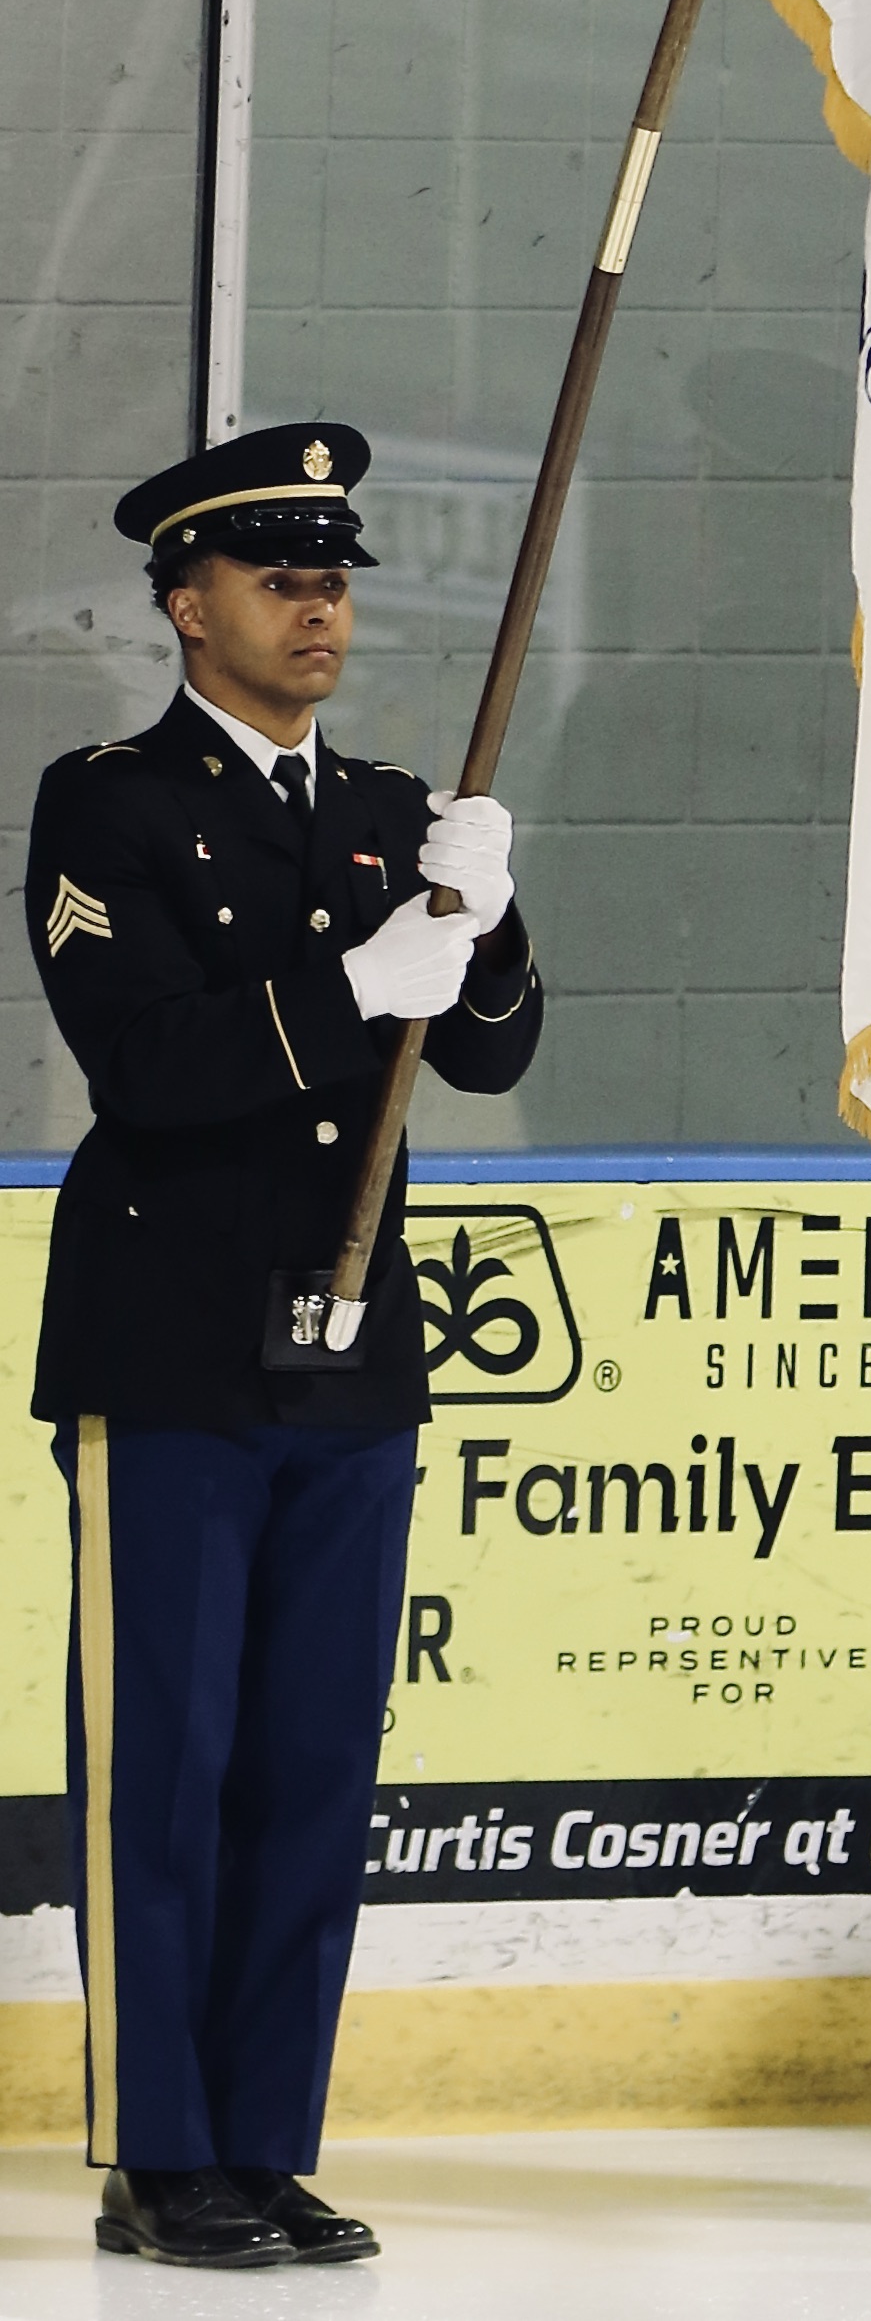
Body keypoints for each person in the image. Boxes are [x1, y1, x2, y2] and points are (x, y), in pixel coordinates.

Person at [22, 423, 542, 2271]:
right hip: (167, 1347)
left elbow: (490, 1050)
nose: (319, 603)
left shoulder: (395, 803)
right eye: (278, 575)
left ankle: (267, 2135)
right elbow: (150, 1063)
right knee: (164, 1758)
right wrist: (356, 978)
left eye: (336, 576)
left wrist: (480, 918)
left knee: (316, 1760)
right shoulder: (108, 804)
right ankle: (160, 2155)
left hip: (350, 1356)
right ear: (188, 604)